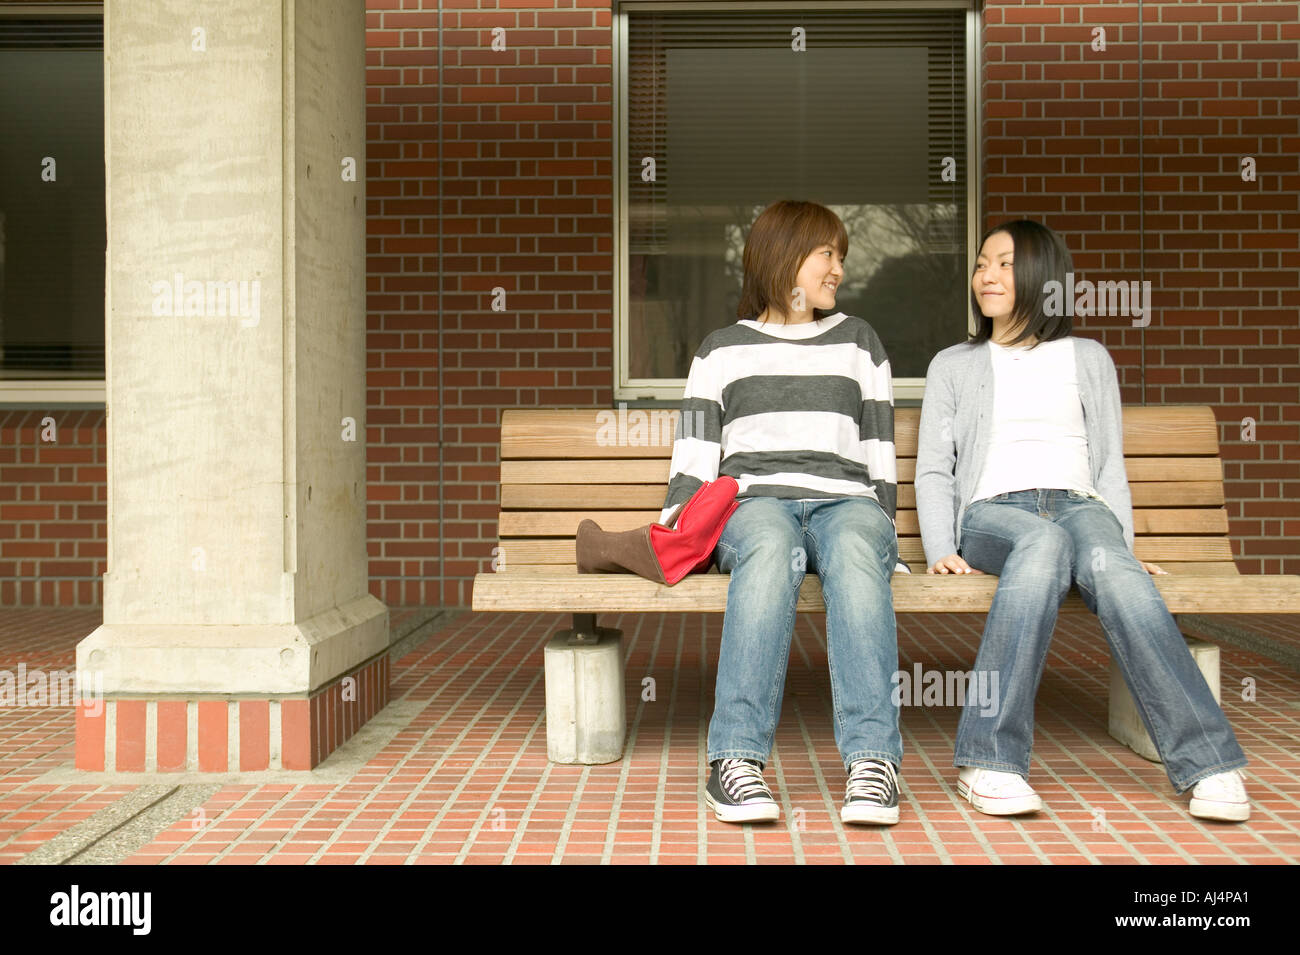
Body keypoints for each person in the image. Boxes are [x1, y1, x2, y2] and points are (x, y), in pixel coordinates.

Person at [914, 219, 1250, 821]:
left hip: (1080, 505)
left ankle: (1210, 764)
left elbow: (1107, 464)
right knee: (1041, 543)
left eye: (1004, 263)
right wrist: (940, 544)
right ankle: (987, 758)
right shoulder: (953, 365)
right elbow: (937, 468)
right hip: (998, 513)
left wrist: (1119, 545)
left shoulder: (1088, 357)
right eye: (982, 263)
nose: (987, 275)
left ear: (1043, 276)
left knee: (1114, 572)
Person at [661, 199, 905, 825]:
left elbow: (879, 455)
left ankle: (874, 763)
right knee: (770, 546)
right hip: (754, 504)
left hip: (846, 504)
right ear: (785, 255)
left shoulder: (861, 342)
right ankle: (735, 760)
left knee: (854, 547)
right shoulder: (718, 351)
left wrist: (888, 540)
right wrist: (679, 532)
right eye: (828, 253)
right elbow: (693, 458)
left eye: (842, 257)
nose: (838, 269)